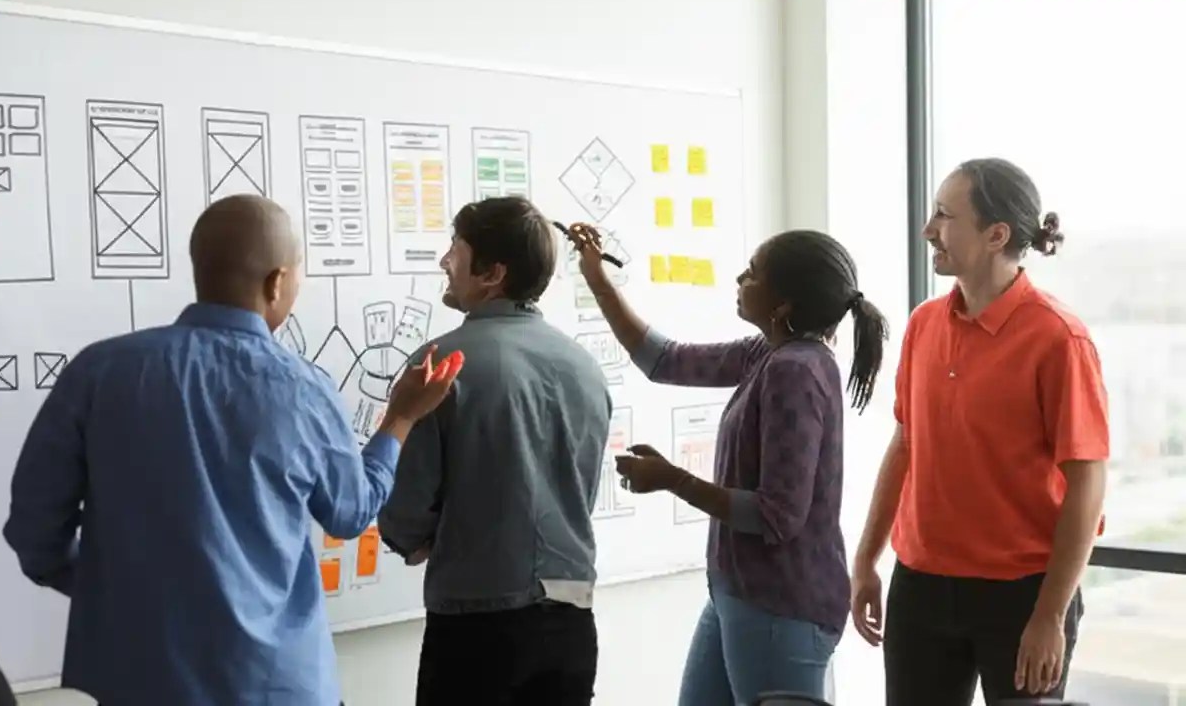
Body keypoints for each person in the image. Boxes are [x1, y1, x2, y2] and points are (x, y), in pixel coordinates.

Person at [3, 194, 460, 706]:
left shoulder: (98, 372)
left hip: (132, 681)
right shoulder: (304, 388)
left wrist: (117, 590)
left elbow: (34, 533)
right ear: (277, 282)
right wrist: (400, 418)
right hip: (274, 686)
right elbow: (350, 513)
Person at [567, 222, 888, 704]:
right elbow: (664, 361)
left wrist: (672, 479)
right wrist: (597, 279)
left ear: (782, 305)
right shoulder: (770, 353)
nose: (740, 278)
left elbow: (777, 516)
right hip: (738, 594)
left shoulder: (794, 371)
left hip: (781, 608)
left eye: (753, 273)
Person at [850, 157, 1109, 705]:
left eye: (944, 216)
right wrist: (866, 560)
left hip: (1022, 598)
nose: (928, 231)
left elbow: (1087, 485)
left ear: (997, 235)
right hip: (920, 587)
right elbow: (906, 444)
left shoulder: (1059, 339)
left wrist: (1050, 616)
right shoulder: (923, 325)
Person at [377, 196, 612, 706]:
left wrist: (409, 538)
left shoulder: (441, 365)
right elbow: (580, 487)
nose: (445, 263)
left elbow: (406, 500)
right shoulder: (583, 366)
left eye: (455, 251)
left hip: (476, 627)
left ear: (491, 273)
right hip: (572, 620)